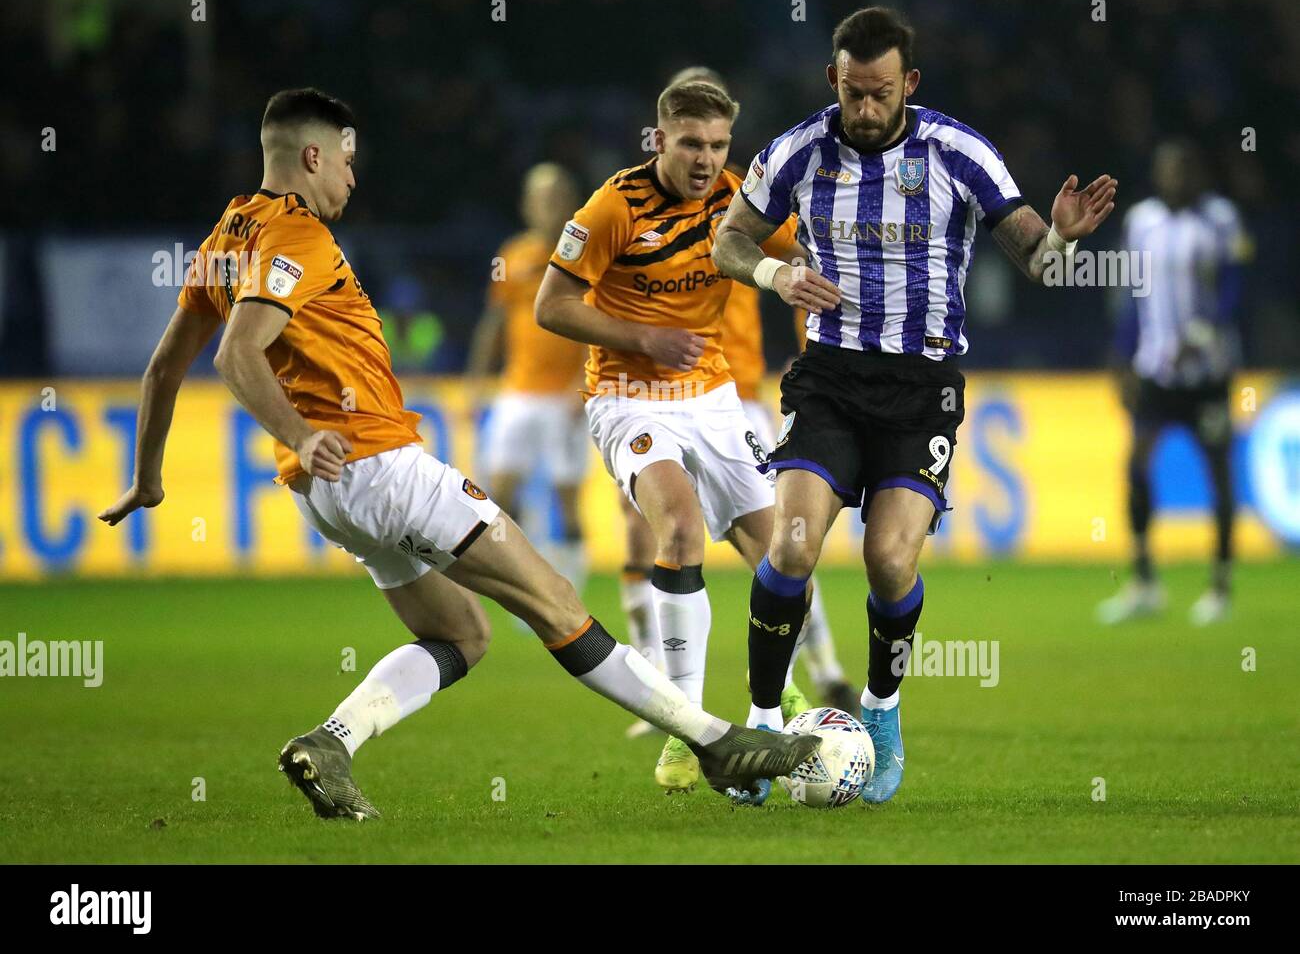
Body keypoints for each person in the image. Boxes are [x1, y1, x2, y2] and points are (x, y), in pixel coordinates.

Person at [97, 87, 819, 820]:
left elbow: (165, 366)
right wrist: (300, 432)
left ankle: (331, 742)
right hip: (377, 465)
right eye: (346, 162)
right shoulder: (294, 236)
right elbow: (235, 355)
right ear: (311, 156)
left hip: (326, 497)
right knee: (558, 605)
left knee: (462, 634)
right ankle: (715, 741)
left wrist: (149, 478)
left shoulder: (229, 233)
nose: (352, 177)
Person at [712, 7, 1117, 804]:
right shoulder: (797, 150)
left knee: (890, 561)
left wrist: (1064, 238)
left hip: (920, 391)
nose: (866, 109)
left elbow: (1036, 258)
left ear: (910, 85)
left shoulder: (959, 153)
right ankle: (761, 725)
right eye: (854, 92)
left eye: (882, 93)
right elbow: (730, 240)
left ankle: (884, 714)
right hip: (828, 377)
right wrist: (774, 276)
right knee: (790, 546)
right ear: (835, 79)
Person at [535, 79, 813, 799]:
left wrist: (816, 359)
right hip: (629, 399)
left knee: (784, 554)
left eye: (718, 145)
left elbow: (806, 268)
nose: (704, 158)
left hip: (714, 396)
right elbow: (552, 304)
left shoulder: (737, 200)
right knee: (681, 530)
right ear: (658, 138)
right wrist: (642, 337)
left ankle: (773, 693)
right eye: (691, 143)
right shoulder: (610, 207)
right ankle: (686, 728)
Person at [1097, 139, 1247, 626]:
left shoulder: (1220, 219)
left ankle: (1220, 586)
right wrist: (1122, 357)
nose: (1175, 177)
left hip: (1208, 373)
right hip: (1156, 368)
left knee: (1218, 470)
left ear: (1197, 172)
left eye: (1183, 168)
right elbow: (1132, 294)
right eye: (1167, 169)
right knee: (1136, 466)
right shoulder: (1142, 222)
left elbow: (1233, 287)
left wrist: (1201, 334)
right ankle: (1144, 581)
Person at [465, 163, 590, 593]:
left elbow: (599, 324)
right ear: (525, 205)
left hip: (567, 396)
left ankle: (570, 587)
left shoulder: (586, 256)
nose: (547, 206)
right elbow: (494, 323)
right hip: (517, 391)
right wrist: (477, 382)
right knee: (498, 492)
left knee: (566, 496)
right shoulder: (511, 256)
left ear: (571, 203)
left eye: (555, 197)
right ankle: (526, 580)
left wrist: (586, 384)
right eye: (539, 198)